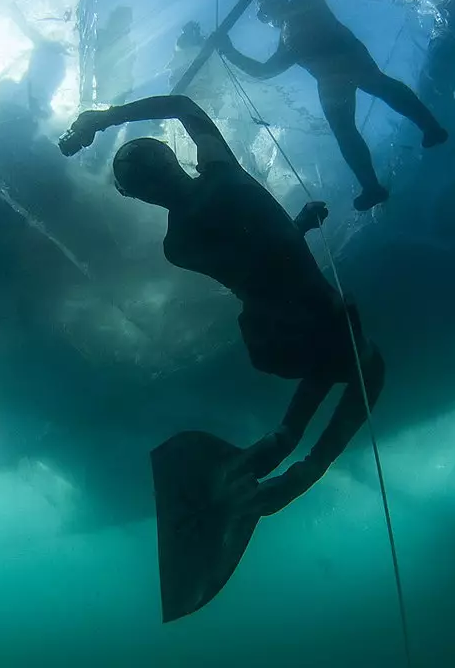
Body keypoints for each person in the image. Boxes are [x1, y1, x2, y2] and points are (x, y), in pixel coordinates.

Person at [59, 94, 385, 620]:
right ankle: (295, 477)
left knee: (331, 369)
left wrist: (296, 226)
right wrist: (105, 119)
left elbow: (251, 266)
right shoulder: (220, 170)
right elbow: (185, 106)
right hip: (304, 315)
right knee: (368, 367)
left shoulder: (178, 244)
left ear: (140, 197)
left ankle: (270, 461)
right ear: (171, 157)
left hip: (274, 332)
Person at [217, 0, 449, 211]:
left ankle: (424, 136)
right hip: (341, 71)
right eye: (267, 9)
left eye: (269, 6)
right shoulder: (291, 26)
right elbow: (263, 70)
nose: (272, 11)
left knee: (372, 102)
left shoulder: (299, 9)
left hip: (341, 69)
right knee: (362, 113)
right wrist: (230, 51)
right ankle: (382, 177)